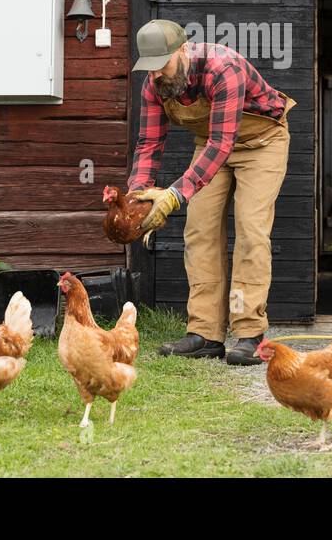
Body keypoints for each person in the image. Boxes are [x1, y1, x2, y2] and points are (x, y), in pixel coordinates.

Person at [126, 19, 294, 365]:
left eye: (162, 65)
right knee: (199, 231)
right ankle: (205, 334)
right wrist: (136, 198)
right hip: (212, 145)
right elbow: (149, 144)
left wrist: (173, 195)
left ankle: (248, 332)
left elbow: (223, 142)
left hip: (262, 143)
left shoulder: (223, 68)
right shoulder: (154, 85)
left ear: (183, 50)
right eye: (150, 68)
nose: (156, 75)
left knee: (250, 230)